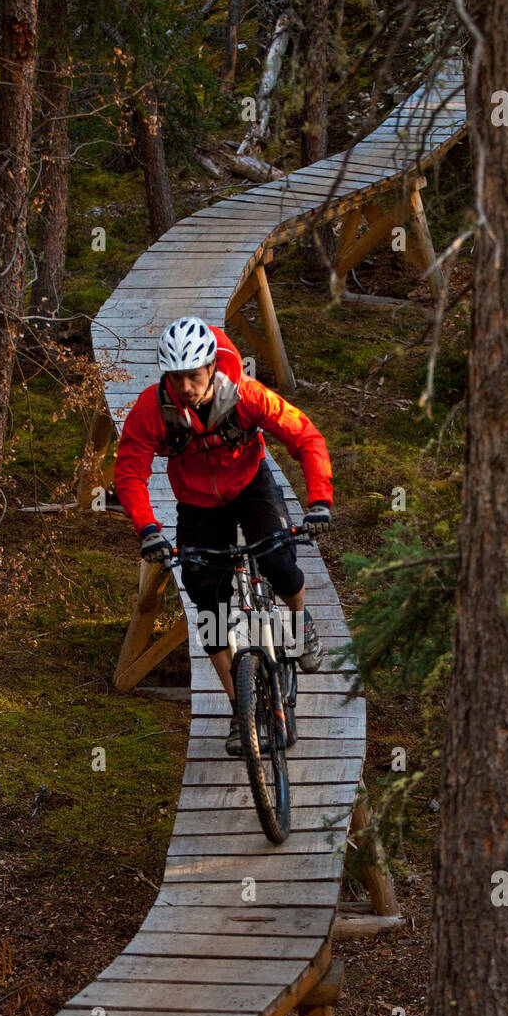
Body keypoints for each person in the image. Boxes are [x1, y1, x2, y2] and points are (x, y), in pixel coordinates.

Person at [114, 316, 333, 755]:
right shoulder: (151, 410)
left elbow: (306, 437)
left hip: (251, 484)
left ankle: (298, 621)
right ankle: (241, 710)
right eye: (178, 377)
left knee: (279, 565)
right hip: (197, 502)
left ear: (212, 367)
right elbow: (129, 473)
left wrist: (319, 500)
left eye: (195, 375)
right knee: (206, 602)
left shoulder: (246, 395)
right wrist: (149, 529)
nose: (188, 386)